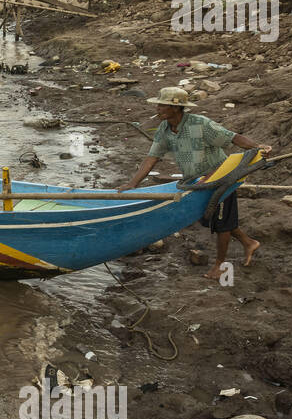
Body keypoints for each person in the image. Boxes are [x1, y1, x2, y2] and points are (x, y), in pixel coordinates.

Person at [117, 86, 272, 279]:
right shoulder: (165, 129)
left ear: (176, 108)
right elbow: (152, 157)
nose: (157, 108)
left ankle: (219, 266)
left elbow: (233, 138)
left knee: (222, 222)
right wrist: (133, 184)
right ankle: (249, 243)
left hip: (220, 177)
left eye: (162, 104)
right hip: (196, 182)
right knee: (211, 218)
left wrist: (258, 147)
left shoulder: (200, 124)